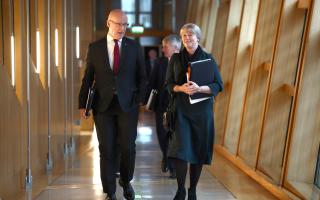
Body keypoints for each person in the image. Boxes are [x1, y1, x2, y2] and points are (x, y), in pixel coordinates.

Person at [78, 9, 147, 200]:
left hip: (128, 106)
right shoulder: (95, 48)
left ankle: (125, 181)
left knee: (128, 147)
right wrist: (83, 103)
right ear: (108, 23)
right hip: (103, 106)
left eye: (125, 24)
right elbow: (88, 78)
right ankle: (110, 191)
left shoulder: (134, 47)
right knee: (106, 148)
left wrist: (138, 98)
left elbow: (143, 77)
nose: (122, 28)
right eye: (118, 24)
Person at [165, 23, 223, 200]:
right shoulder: (175, 59)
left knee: (198, 151)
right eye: (184, 36)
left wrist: (200, 88)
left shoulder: (208, 59)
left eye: (191, 35)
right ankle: (181, 189)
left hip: (202, 112)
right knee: (180, 151)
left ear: (198, 37)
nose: (187, 38)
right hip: (181, 110)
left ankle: (193, 190)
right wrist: (181, 88)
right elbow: (168, 85)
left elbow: (218, 85)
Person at [149, 34, 181, 178]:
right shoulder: (159, 63)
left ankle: (172, 166)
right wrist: (145, 100)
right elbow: (152, 82)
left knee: (174, 136)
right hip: (161, 106)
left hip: (178, 106)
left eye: (165, 46)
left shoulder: (184, 61)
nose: (162, 49)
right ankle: (166, 156)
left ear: (175, 47)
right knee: (162, 135)